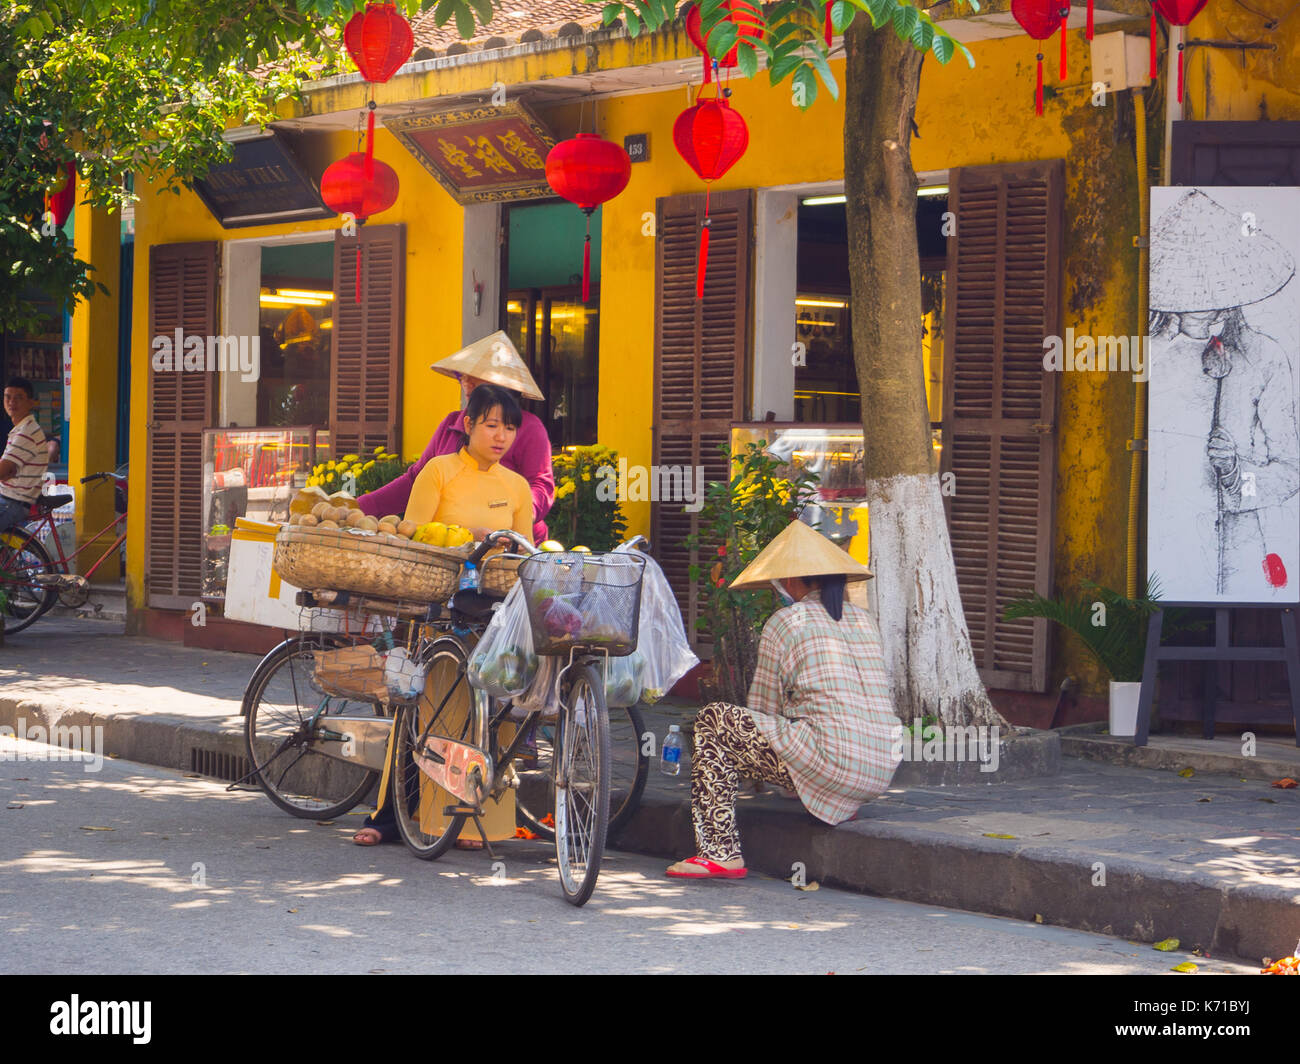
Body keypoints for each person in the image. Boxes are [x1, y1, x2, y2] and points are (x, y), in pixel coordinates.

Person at [665, 520, 902, 879]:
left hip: (834, 760)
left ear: (792, 581)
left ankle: (719, 850)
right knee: (814, 732)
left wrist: (742, 766)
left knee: (714, 720)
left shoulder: (786, 621)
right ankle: (836, 799)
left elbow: (762, 709)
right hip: (880, 766)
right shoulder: (865, 620)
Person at [352, 383, 534, 847]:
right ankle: (389, 816)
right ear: (468, 425)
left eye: (509, 427)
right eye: (491, 424)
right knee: (420, 713)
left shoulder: (516, 487)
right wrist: (467, 535)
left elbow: (522, 558)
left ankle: (478, 821)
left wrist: (506, 544)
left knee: (492, 716)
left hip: (490, 615)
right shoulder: (439, 470)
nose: (501, 436)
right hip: (435, 609)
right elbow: (411, 537)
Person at [1148, 188, 1299, 599]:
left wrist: (1236, 476)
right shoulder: (1142, 358)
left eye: (1221, 300)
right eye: (1198, 301)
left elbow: (1290, 468)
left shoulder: (1263, 357)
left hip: (1232, 554)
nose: (1212, 311)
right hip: (1157, 545)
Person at [358, 331, 555, 542]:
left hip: (508, 546)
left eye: (476, 378)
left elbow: (541, 486)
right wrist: (360, 507)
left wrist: (513, 515)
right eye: (463, 377)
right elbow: (415, 479)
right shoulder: (451, 424)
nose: (467, 384)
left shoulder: (530, 429)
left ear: (500, 385)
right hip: (445, 544)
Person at [0, 378, 48, 534]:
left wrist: (5, 472)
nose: (12, 402)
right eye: (8, 396)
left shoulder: (27, 432)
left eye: (19, 397)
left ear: (30, 403)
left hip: (12, 504)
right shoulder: (20, 429)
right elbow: (6, 471)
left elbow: (3, 470)